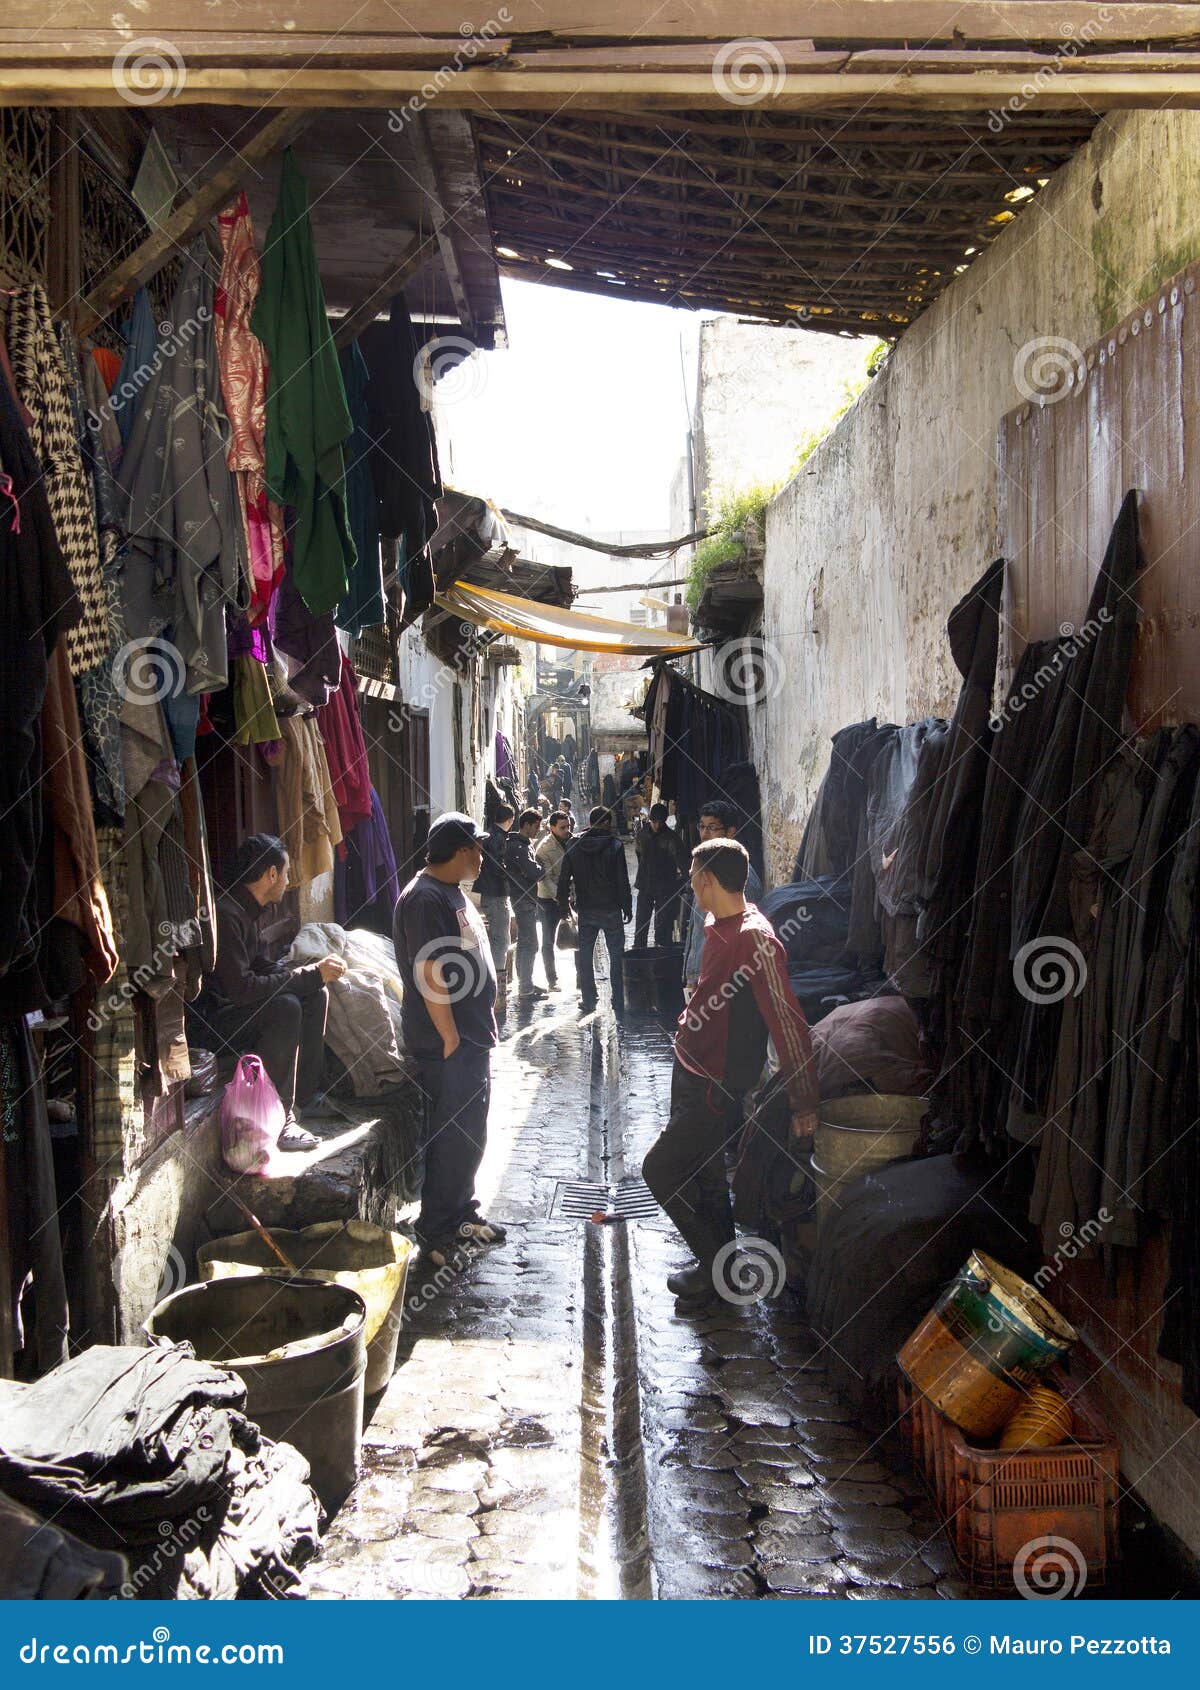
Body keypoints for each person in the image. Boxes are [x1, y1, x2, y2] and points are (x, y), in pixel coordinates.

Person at [643, 839, 817, 1311]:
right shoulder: (716, 923)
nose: (692, 886)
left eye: (694, 877)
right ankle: (719, 1276)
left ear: (706, 880)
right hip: (691, 1069)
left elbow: (786, 1019)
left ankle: (717, 1270)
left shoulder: (755, 938)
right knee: (706, 1178)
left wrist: (804, 1101)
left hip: (715, 1087)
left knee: (659, 1171)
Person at [393, 813, 508, 1267]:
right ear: (461, 851)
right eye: (477, 849)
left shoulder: (450, 891)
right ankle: (437, 1231)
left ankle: (461, 1213)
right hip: (449, 1042)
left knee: (469, 1134)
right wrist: (449, 1036)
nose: (482, 857)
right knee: (450, 1135)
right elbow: (429, 971)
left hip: (470, 1037)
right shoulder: (423, 899)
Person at [199, 834, 345, 1153]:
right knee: (286, 1007)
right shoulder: (226, 914)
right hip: (212, 1025)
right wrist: (305, 975)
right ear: (271, 875)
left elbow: (256, 965)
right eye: (287, 873)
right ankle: (280, 1117)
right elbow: (243, 988)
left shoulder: (244, 909)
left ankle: (304, 1097)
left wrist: (310, 974)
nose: (289, 881)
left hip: (234, 1009)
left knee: (313, 994)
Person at [558, 805, 632, 1015]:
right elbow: (622, 880)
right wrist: (626, 905)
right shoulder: (615, 845)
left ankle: (589, 1000)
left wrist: (563, 906)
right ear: (607, 823)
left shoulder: (573, 844)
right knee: (617, 955)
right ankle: (618, 999)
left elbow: (564, 879)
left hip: (586, 909)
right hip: (610, 908)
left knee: (585, 956)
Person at [683, 800, 763, 992]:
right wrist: (692, 975)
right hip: (702, 976)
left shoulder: (741, 875)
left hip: (720, 981)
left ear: (730, 832)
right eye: (701, 826)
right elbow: (697, 929)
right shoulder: (704, 868)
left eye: (712, 828)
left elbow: (737, 937)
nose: (704, 834)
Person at [474, 801, 515, 1018]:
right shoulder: (498, 838)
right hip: (497, 893)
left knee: (497, 940)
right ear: (509, 820)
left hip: (489, 893)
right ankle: (497, 990)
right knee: (501, 940)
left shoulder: (489, 834)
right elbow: (499, 867)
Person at [506, 808, 548, 1003]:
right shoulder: (519, 847)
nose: (538, 830)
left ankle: (526, 983)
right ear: (526, 825)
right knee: (530, 943)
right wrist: (542, 867)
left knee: (525, 943)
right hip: (522, 899)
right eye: (536, 826)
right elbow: (534, 871)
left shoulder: (522, 844)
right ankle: (525, 988)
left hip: (525, 897)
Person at [634, 802, 688, 948]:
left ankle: (660, 957)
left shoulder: (672, 838)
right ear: (650, 820)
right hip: (645, 884)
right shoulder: (642, 834)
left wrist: (681, 884)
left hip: (665, 887)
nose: (657, 825)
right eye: (654, 822)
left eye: (660, 822)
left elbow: (682, 863)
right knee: (641, 924)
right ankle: (639, 956)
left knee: (663, 927)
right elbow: (639, 855)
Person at [534, 810, 572, 988]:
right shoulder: (543, 849)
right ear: (552, 828)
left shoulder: (572, 841)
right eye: (562, 827)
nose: (567, 830)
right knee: (548, 941)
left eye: (568, 826)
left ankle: (583, 980)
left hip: (568, 896)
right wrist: (561, 899)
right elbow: (546, 880)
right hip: (548, 900)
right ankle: (552, 979)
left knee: (579, 937)